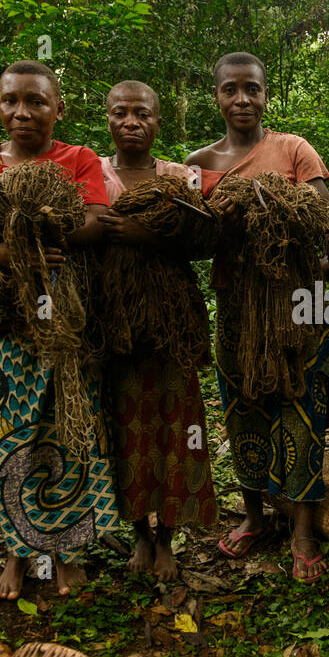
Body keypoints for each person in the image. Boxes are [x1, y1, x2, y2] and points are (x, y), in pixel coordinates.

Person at [0, 60, 118, 600]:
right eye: (10, 100)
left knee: (70, 429)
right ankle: (17, 551)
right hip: (6, 326)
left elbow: (92, 223)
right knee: (11, 435)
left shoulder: (77, 160)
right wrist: (6, 251)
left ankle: (65, 551)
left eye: (36, 101)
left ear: (57, 109)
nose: (22, 112)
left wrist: (41, 221)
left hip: (66, 322)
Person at [186, 51, 329, 581]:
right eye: (231, 89)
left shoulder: (293, 149)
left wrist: (267, 205)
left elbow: (320, 213)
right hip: (236, 304)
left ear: (266, 93)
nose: (242, 99)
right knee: (243, 409)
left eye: (252, 88)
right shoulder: (200, 162)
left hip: (296, 301)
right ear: (218, 96)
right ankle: (253, 517)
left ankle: (301, 528)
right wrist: (222, 221)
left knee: (301, 412)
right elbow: (193, 237)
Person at [96, 80, 217, 580]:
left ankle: (167, 537)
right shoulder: (91, 173)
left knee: (173, 428)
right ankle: (139, 536)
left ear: (158, 121)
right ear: (107, 119)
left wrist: (148, 233)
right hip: (113, 323)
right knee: (124, 429)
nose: (131, 122)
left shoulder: (180, 176)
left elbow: (206, 236)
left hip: (170, 325)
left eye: (142, 113)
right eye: (121, 113)